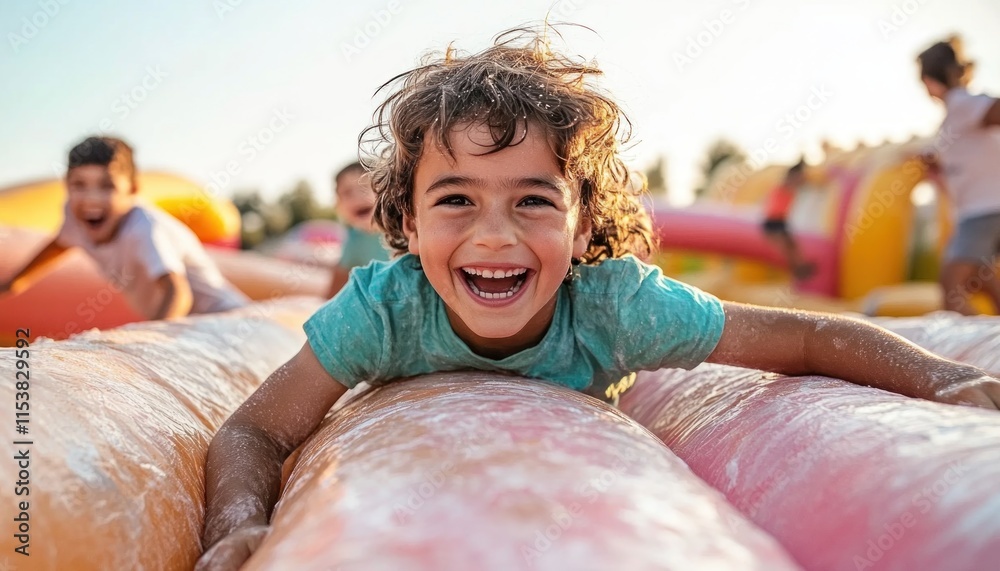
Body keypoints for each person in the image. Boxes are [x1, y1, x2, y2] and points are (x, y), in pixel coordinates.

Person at [196, 27, 1000, 571]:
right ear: (405, 221)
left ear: (583, 227)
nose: (495, 236)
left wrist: (941, 378)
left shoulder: (616, 304)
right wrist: (239, 524)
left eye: (533, 201)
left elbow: (804, 338)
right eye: (456, 201)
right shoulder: (385, 307)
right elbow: (253, 429)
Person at [0, 136, 249, 319]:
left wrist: (150, 343)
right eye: (79, 185)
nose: (91, 199)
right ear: (66, 185)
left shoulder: (144, 229)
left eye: (106, 186)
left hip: (224, 319)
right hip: (183, 326)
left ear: (132, 190)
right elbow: (58, 245)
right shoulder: (75, 218)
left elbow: (177, 292)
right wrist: (14, 283)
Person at [915, 36, 1000, 315]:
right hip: (983, 211)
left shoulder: (961, 103)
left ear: (928, 81)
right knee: (984, 282)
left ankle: (970, 344)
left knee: (952, 290)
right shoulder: (955, 115)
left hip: (982, 212)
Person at [326, 161, 391, 298]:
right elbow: (337, 284)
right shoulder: (354, 239)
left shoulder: (405, 228)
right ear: (338, 206)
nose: (357, 197)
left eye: (364, 187)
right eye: (347, 193)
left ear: (386, 191)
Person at [762, 158, 815, 281]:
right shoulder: (785, 185)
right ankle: (798, 269)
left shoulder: (790, 186)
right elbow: (797, 180)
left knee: (792, 246)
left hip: (780, 221)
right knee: (787, 246)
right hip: (774, 220)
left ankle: (800, 267)